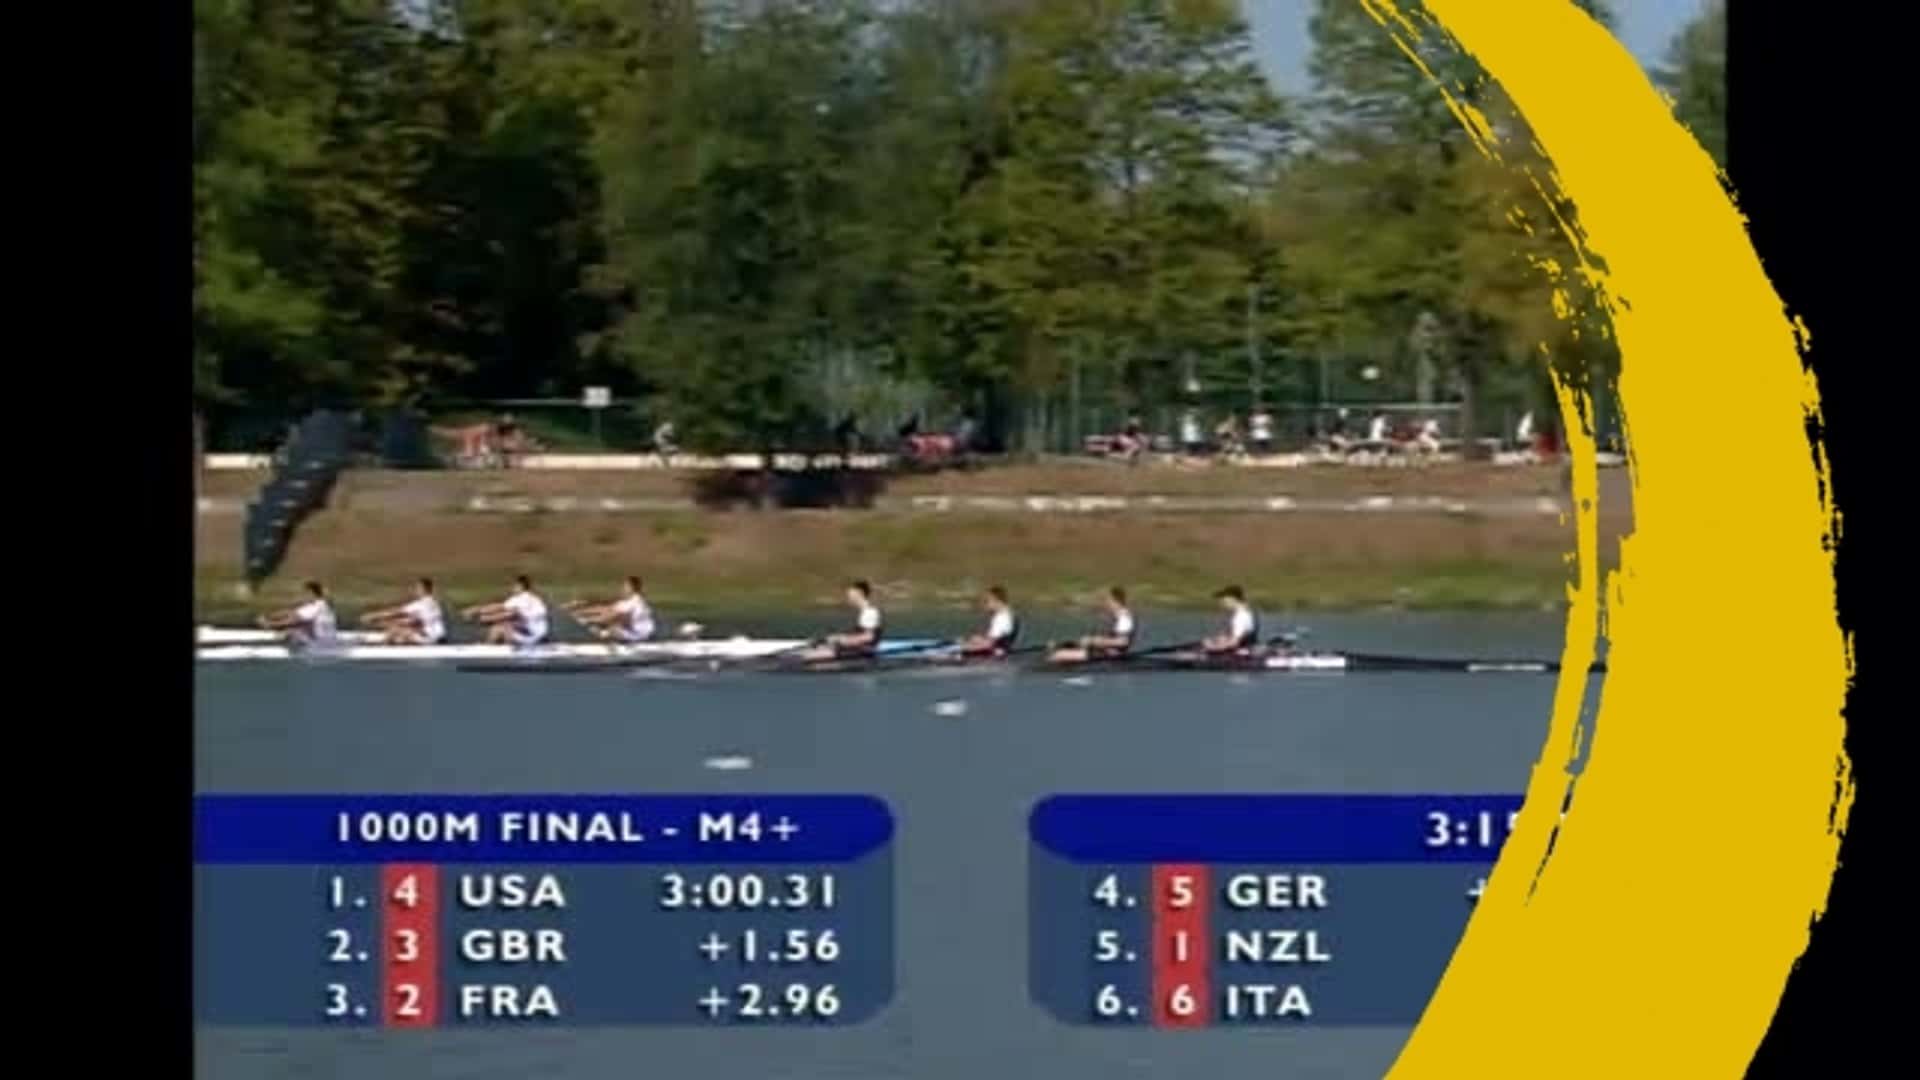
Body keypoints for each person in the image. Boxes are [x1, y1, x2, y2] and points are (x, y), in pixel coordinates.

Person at [1049, 586, 1137, 664]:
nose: (1106, 604)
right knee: (1060, 649)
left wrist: (1093, 641)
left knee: (1059, 655)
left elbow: (1122, 642)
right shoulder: (1118, 616)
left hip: (1108, 655)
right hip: (1102, 652)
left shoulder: (1124, 619)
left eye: (1108, 601)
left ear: (1116, 602)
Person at [802, 580, 884, 661]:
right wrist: (838, 638)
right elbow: (860, 634)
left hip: (863, 651)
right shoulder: (865, 612)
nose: (849, 597)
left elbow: (868, 637)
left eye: (851, 594)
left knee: (809, 656)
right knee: (818, 647)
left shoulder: (869, 612)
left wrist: (842, 640)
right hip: (856, 648)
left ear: (860, 594)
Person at [464, 575, 550, 646]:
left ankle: (492, 648)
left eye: (514, 586)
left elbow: (501, 609)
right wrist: (480, 613)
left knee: (500, 628)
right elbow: (502, 608)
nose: (512, 588)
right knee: (505, 624)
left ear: (520, 586)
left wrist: (480, 614)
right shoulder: (534, 598)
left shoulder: (520, 599)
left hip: (532, 636)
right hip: (537, 633)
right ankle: (495, 647)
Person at [568, 576, 657, 643]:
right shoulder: (628, 601)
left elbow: (611, 615)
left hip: (641, 634)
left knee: (611, 626)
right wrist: (578, 612)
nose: (622, 589)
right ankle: (603, 637)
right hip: (634, 630)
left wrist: (587, 620)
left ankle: (605, 642)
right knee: (605, 624)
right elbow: (604, 608)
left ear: (632, 588)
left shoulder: (634, 602)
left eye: (625, 586)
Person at [359, 578, 445, 644]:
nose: (416, 590)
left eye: (417, 588)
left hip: (429, 638)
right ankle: (394, 640)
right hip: (439, 636)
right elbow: (415, 621)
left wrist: (372, 616)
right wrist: (383, 622)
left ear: (423, 589)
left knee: (395, 630)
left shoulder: (420, 604)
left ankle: (379, 647)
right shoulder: (435, 603)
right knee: (400, 630)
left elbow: (395, 612)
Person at [258, 581, 338, 647]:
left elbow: (292, 620)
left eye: (304, 593)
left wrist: (271, 624)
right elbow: (289, 612)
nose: (302, 596)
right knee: (298, 627)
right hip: (329, 642)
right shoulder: (324, 605)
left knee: (290, 632)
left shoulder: (314, 607)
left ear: (311, 593)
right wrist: (268, 617)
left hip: (318, 645)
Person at [958, 586, 1020, 658]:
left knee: (959, 644)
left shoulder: (1000, 619)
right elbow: (995, 639)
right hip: (1000, 650)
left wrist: (962, 646)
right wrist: (976, 639)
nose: (985, 605)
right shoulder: (1009, 613)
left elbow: (988, 644)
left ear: (997, 601)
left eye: (987, 602)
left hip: (993, 654)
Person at [1202, 585, 1261, 656]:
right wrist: (1217, 640)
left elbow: (1234, 642)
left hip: (1241, 653)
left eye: (1223, 600)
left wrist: (1212, 647)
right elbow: (1237, 637)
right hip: (1246, 648)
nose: (1221, 603)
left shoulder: (1241, 617)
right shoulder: (1245, 613)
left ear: (1232, 599)